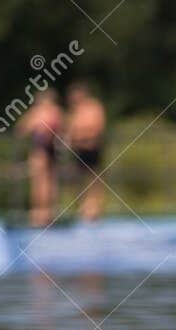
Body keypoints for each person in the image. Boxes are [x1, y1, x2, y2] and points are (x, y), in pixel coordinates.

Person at [15, 90, 63, 226]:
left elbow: (22, 129)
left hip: (49, 149)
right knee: (40, 182)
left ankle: (46, 213)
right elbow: (21, 129)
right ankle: (40, 213)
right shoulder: (38, 113)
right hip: (40, 150)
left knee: (47, 183)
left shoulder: (52, 112)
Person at [66, 82, 107, 222]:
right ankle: (83, 207)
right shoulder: (75, 110)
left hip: (92, 148)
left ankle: (95, 208)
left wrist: (84, 135)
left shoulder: (93, 107)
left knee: (94, 178)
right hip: (78, 150)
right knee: (78, 178)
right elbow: (71, 130)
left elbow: (98, 127)